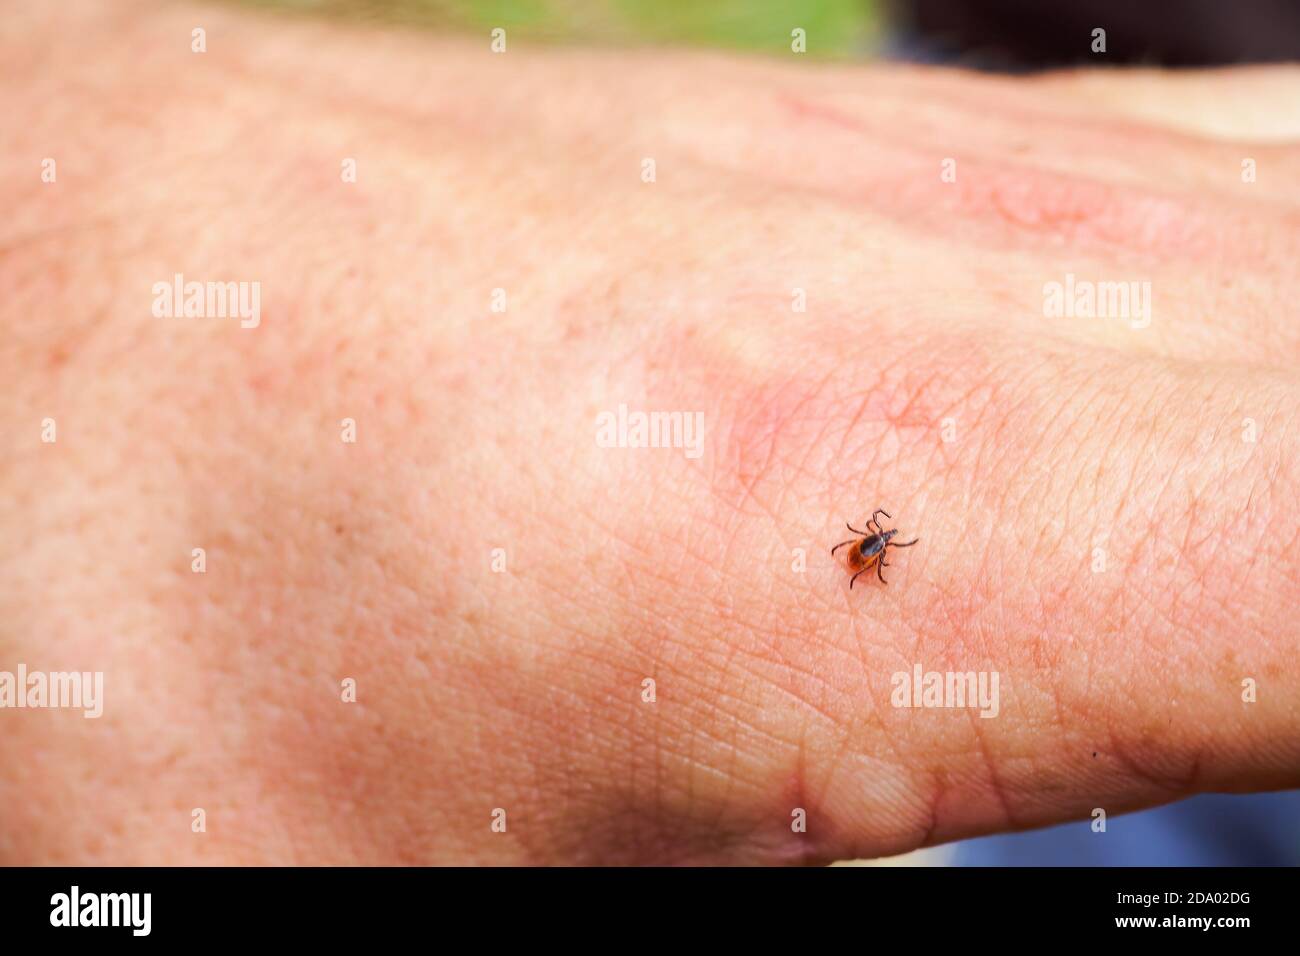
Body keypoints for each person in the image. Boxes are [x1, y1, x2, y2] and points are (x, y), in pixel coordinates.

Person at [2, 0, 1296, 865]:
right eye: (872, 543)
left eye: (873, 543)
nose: (873, 543)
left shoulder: (870, 535)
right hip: (1025, 116)